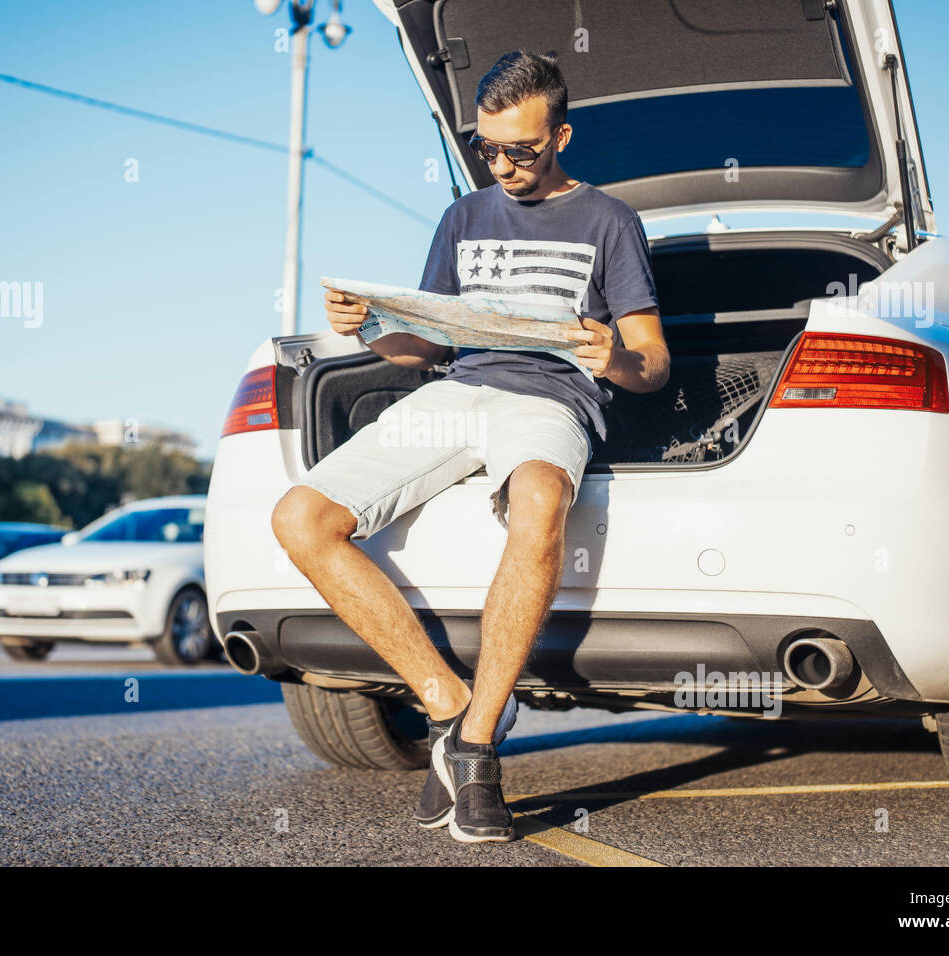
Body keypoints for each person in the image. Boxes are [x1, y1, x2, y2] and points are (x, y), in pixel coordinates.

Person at [271, 50, 669, 843]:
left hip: (552, 397)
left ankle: (480, 745)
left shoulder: (610, 222)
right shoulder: (464, 216)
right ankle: (448, 704)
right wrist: (372, 328)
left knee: (542, 499)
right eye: (489, 149)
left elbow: (653, 366)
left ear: (560, 134)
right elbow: (427, 346)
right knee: (298, 517)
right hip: (456, 392)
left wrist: (611, 357)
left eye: (521, 149)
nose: (504, 164)